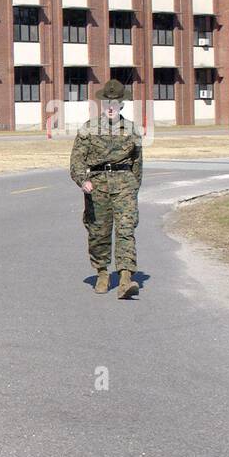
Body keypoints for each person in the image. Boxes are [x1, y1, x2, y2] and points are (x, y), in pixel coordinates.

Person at [69, 79, 143, 298]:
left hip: (124, 185)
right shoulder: (89, 129)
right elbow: (76, 161)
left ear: (122, 105)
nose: (111, 106)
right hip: (97, 186)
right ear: (102, 104)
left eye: (116, 102)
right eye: (107, 102)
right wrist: (83, 180)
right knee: (98, 232)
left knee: (126, 230)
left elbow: (137, 163)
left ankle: (125, 278)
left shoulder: (131, 130)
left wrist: (133, 188)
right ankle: (102, 273)